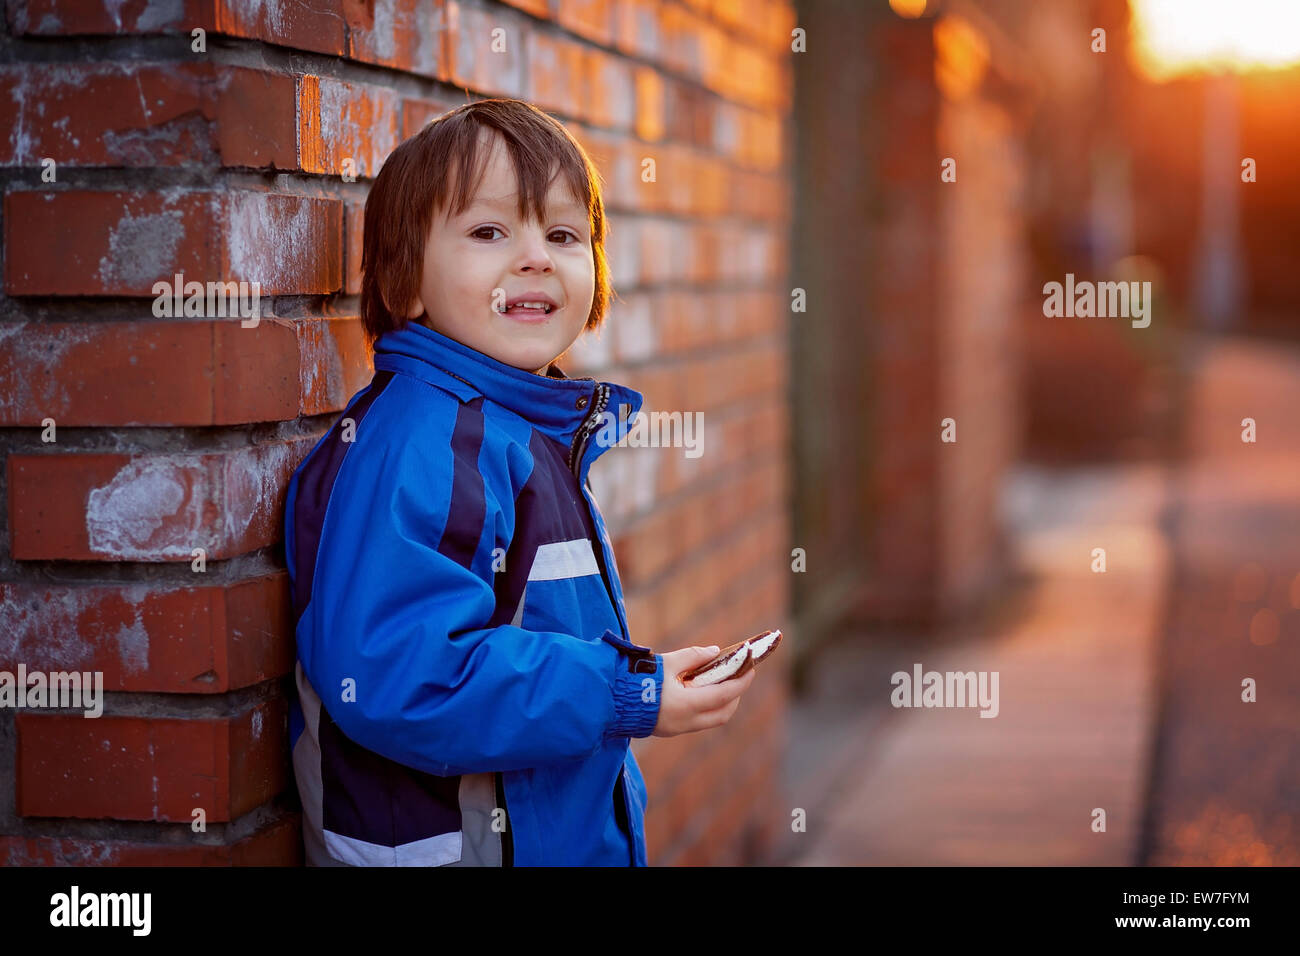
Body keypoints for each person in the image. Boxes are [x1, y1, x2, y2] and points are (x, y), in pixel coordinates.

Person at [283, 98, 757, 866]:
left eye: (563, 234)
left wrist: (645, 679)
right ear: (407, 284)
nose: (536, 256)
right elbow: (403, 673)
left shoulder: (513, 432)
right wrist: (626, 693)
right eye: (488, 232)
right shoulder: (427, 442)